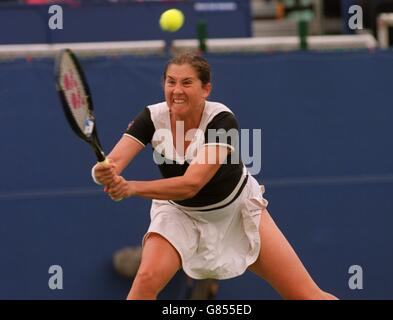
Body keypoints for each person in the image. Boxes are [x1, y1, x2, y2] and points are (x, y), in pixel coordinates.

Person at [92, 52, 337, 300]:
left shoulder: (222, 121)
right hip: (179, 215)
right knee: (145, 280)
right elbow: (113, 163)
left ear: (205, 89)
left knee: (307, 296)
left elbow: (191, 184)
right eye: (171, 82)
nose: (177, 90)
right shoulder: (151, 118)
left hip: (237, 212)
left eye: (186, 83)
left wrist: (131, 188)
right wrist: (103, 172)